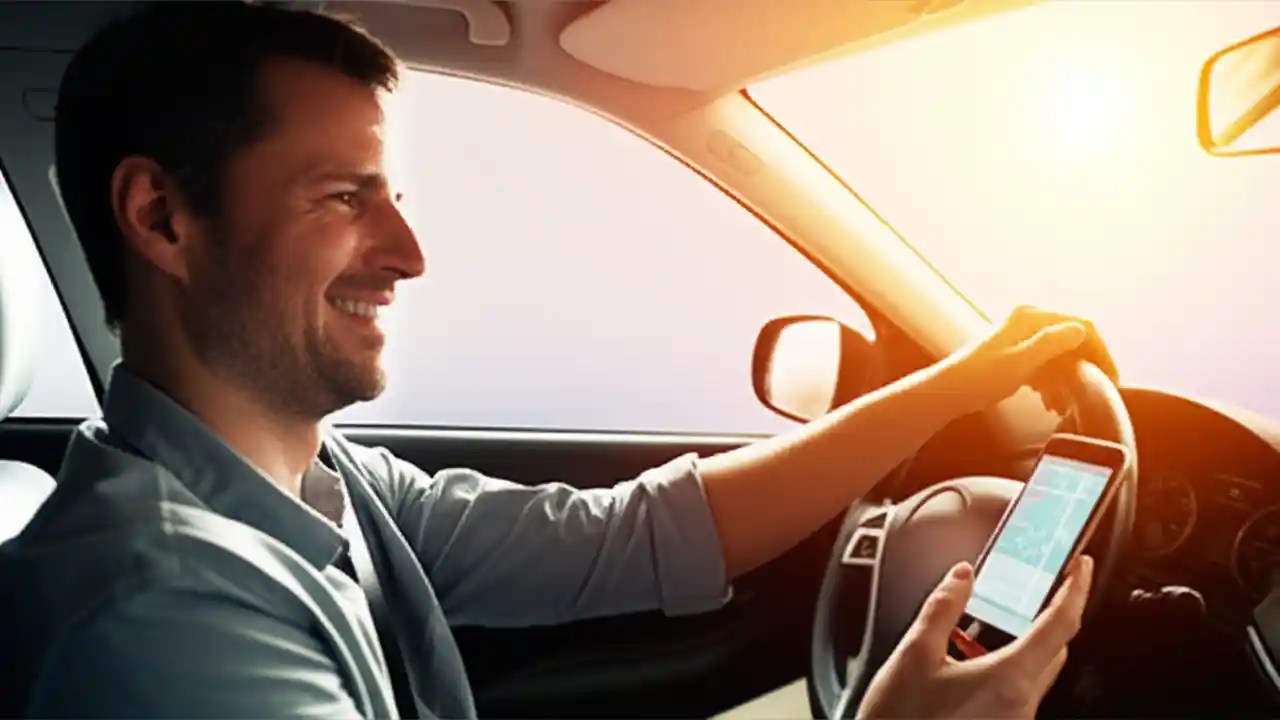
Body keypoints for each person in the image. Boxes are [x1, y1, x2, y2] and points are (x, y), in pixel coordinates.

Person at [0, 3, 1109, 718]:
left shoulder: (320, 489)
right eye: (343, 198)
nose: (409, 255)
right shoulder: (159, 620)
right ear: (161, 218)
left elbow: (638, 536)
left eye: (395, 196)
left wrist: (960, 381)